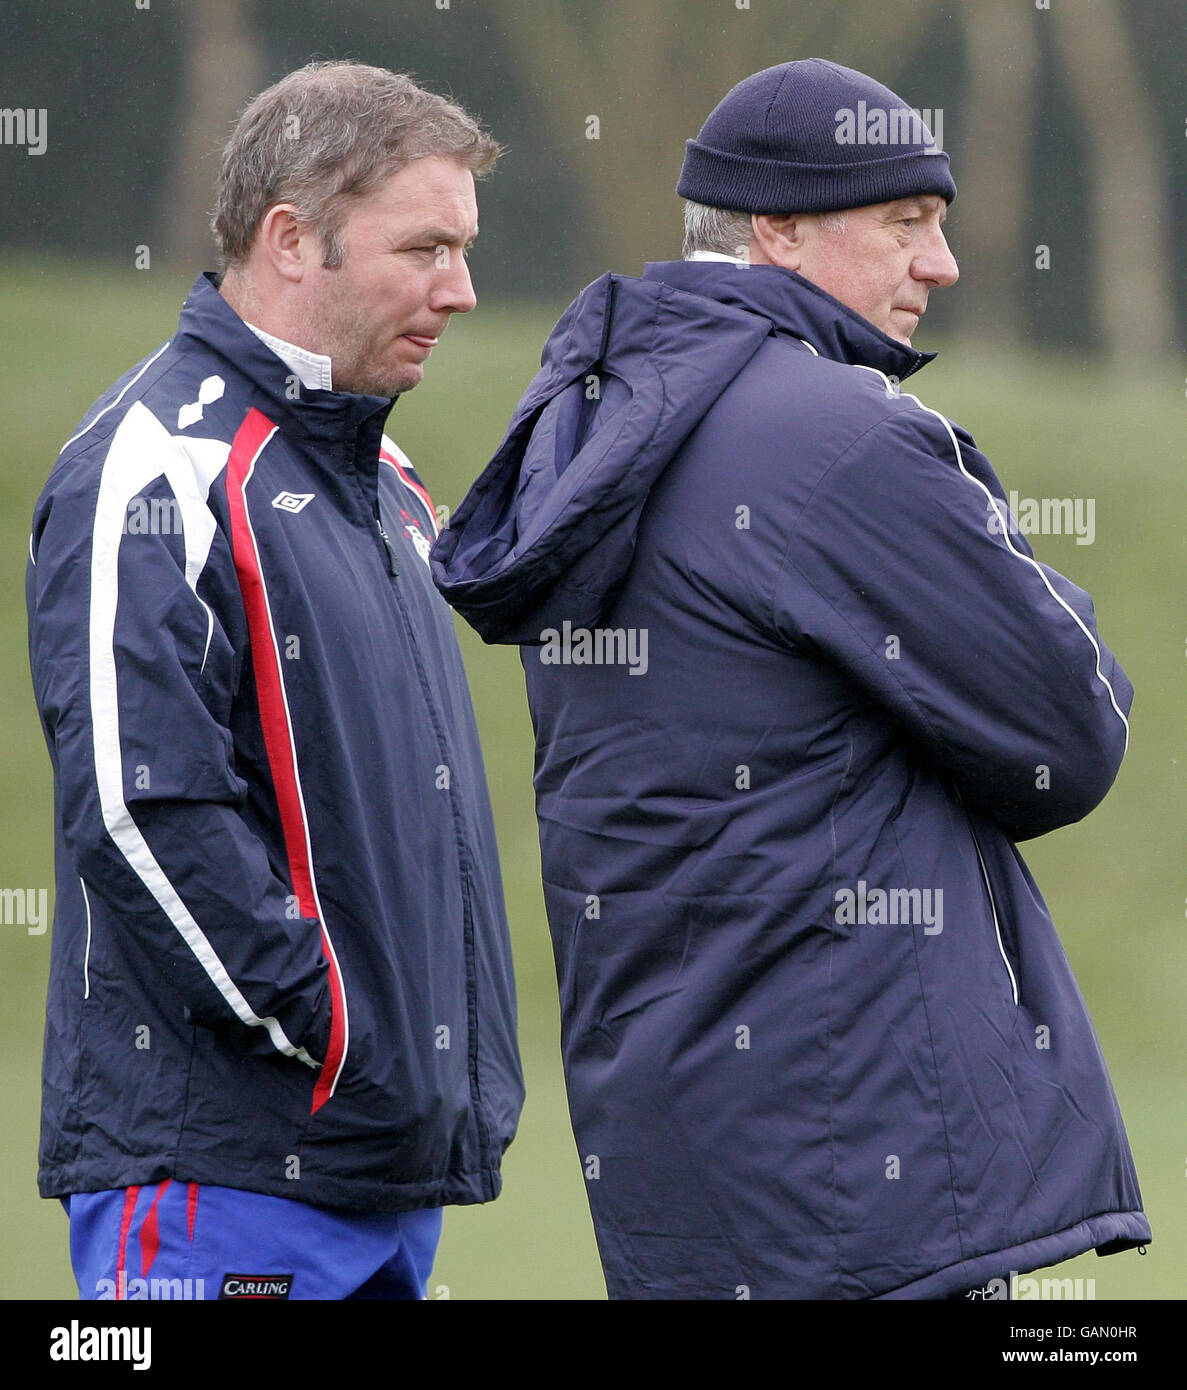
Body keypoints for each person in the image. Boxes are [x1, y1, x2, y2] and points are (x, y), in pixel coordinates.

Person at [431, 59, 1150, 1299]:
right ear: (775, 231)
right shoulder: (840, 434)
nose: (942, 265)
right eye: (904, 225)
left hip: (674, 1155)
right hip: (864, 1164)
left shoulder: (586, 422)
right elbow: (1066, 731)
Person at [26, 61, 523, 1302]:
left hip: (384, 1173)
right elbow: (144, 813)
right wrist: (339, 1031)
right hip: (221, 1183)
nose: (461, 291)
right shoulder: (156, 465)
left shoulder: (390, 477)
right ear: (291, 238)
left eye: (464, 248)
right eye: (426, 247)